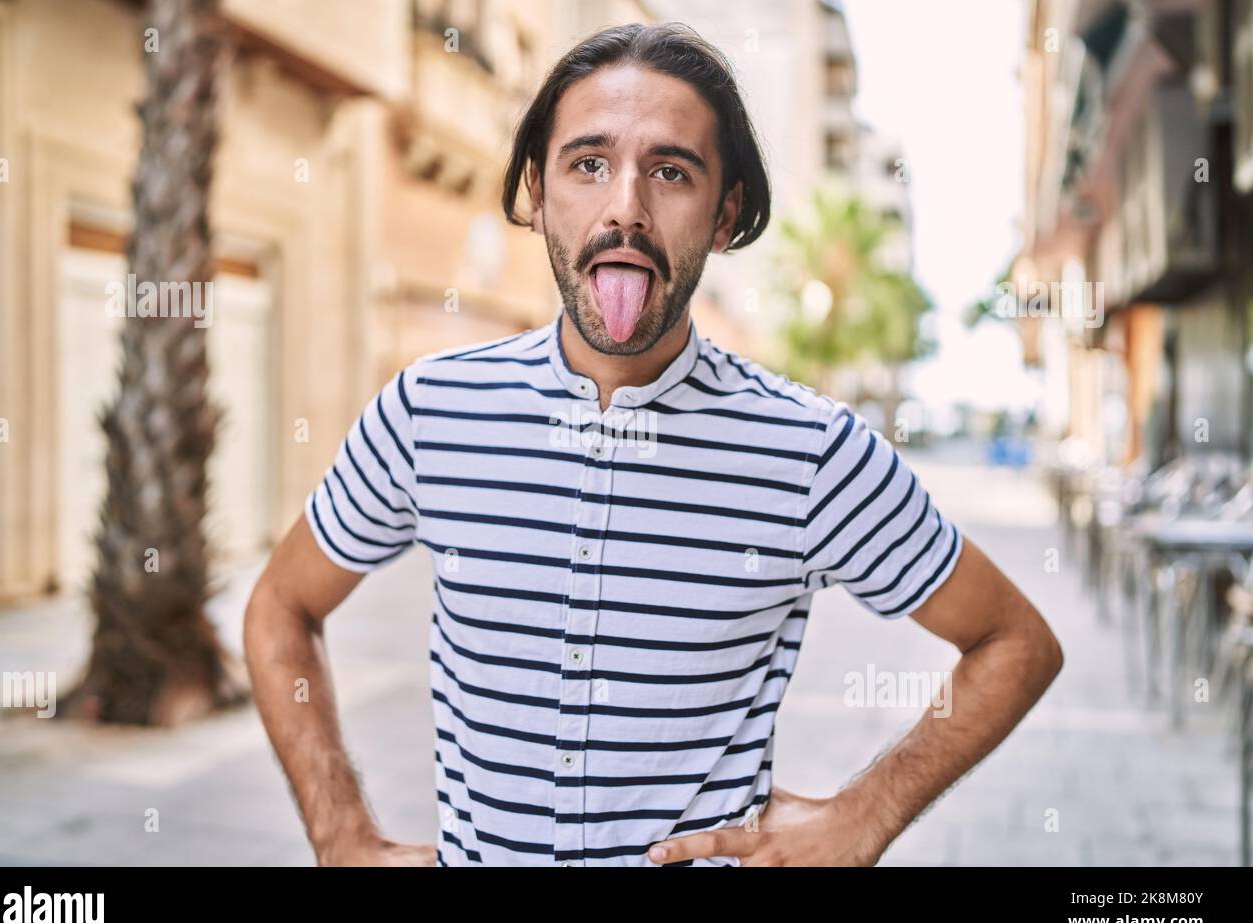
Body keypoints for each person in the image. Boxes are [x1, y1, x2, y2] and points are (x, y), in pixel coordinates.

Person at [243, 21, 1063, 867]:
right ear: (538, 189)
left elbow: (1015, 643)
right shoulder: (429, 411)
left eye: (670, 172)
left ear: (724, 214)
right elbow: (281, 605)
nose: (624, 207)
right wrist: (341, 837)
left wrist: (865, 816)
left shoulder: (811, 451)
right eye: (588, 164)